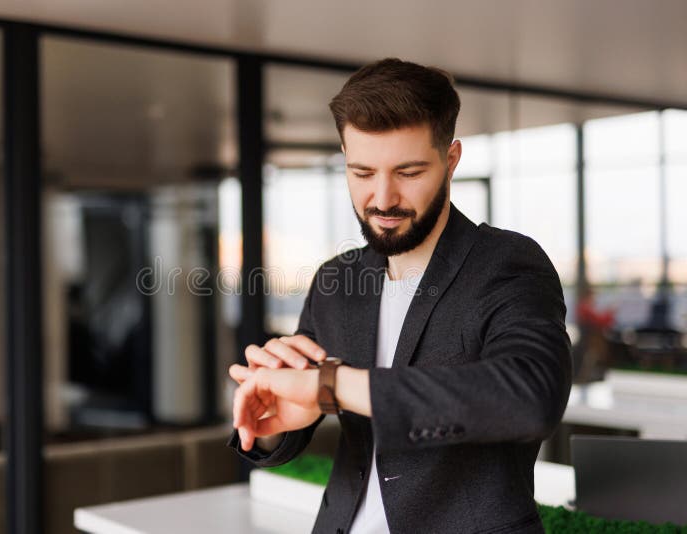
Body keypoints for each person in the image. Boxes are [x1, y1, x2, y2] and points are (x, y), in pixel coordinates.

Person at [227, 58, 572, 534]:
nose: (383, 198)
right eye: (362, 172)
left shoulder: (507, 264)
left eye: (408, 172)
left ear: (450, 160)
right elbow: (297, 420)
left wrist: (333, 386)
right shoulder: (336, 280)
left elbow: (530, 397)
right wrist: (277, 421)